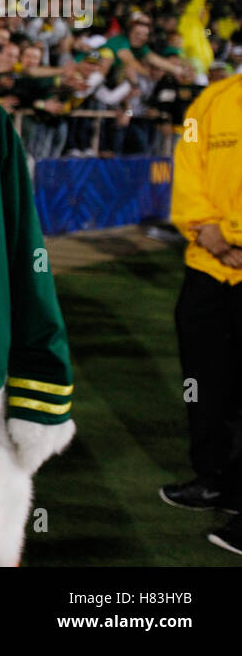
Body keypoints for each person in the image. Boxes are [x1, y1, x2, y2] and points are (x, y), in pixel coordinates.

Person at [162, 70, 242, 555]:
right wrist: (207, 228)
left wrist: (232, 231)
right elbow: (186, 160)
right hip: (208, 266)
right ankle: (214, 478)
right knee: (205, 379)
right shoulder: (211, 99)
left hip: (222, 251)